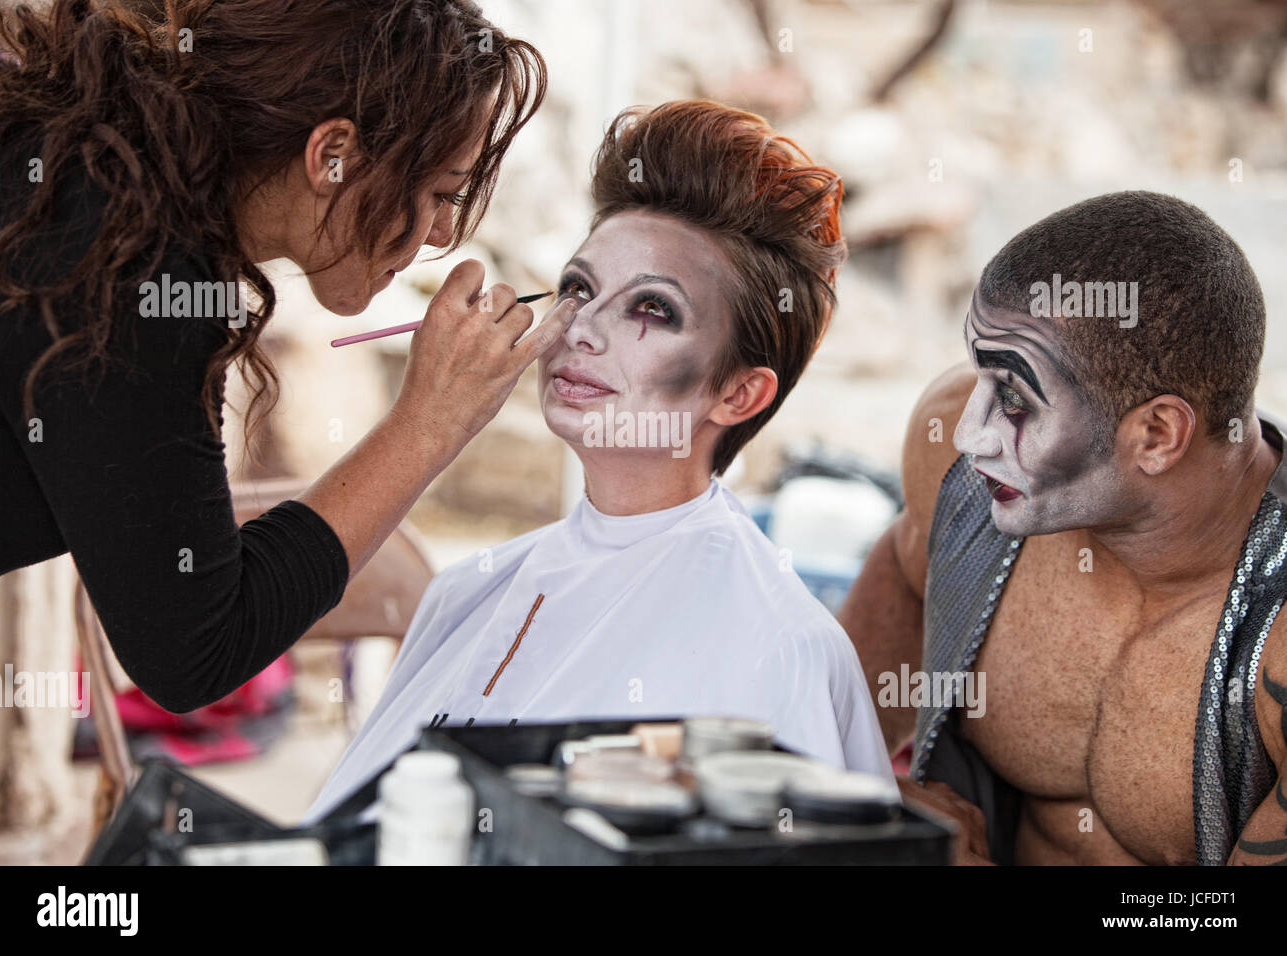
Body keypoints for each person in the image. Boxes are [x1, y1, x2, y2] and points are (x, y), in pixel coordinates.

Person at [303, 100, 894, 822]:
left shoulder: (781, 650)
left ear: (740, 394)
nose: (580, 326)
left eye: (652, 309)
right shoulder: (466, 592)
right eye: (580, 288)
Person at [0, 0, 576, 713]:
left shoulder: (95, 177)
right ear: (332, 152)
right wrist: (430, 422)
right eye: (438, 192)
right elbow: (193, 647)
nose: (444, 233)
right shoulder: (129, 260)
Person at [839, 191, 1287, 865]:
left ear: (1159, 434)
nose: (968, 432)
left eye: (1014, 398)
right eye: (982, 371)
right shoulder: (963, 475)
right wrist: (863, 801)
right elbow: (910, 571)